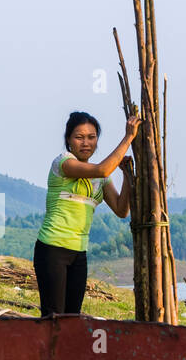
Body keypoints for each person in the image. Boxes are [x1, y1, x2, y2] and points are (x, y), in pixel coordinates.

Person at [33, 110, 138, 317]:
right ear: (68, 140)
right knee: (53, 317)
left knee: (72, 318)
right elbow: (103, 169)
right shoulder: (63, 163)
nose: (86, 143)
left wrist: (126, 175)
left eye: (91, 137)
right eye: (79, 137)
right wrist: (128, 137)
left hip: (79, 253)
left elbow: (121, 209)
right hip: (52, 249)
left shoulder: (100, 178)